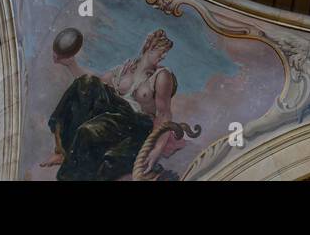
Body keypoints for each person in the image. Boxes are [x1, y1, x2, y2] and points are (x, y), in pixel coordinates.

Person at [41, 28, 198, 180]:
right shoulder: (126, 68)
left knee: (87, 131)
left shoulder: (162, 75)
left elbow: (164, 114)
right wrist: (71, 64)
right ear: (150, 47)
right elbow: (95, 85)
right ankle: (61, 151)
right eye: (162, 51)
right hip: (117, 113)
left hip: (137, 122)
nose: (163, 56)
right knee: (85, 82)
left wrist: (157, 149)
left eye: (165, 53)